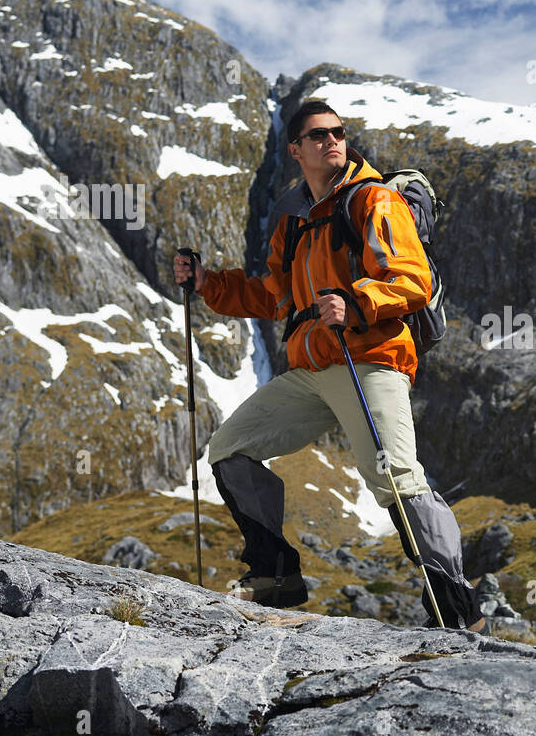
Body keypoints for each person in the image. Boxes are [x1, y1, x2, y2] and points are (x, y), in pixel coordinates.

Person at [172, 99, 484, 630]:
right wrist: (208, 284)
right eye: (318, 135)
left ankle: (457, 611)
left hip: (370, 359)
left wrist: (356, 303)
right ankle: (275, 577)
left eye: (338, 132)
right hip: (311, 369)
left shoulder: (373, 200)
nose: (332, 141)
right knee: (229, 448)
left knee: (398, 479)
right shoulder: (294, 221)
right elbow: (273, 296)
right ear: (295, 150)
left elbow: (412, 279)